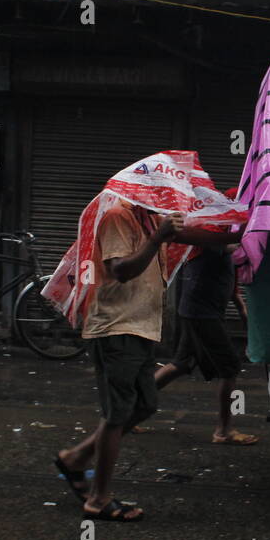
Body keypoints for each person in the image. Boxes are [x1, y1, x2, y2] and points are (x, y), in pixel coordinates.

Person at [53, 202, 185, 521]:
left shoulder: (151, 218)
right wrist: (157, 239)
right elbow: (121, 270)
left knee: (145, 405)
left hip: (141, 327)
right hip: (116, 327)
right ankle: (98, 499)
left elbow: (197, 237)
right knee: (117, 413)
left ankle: (77, 456)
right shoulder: (117, 216)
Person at [154, 194, 256, 445]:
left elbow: (229, 279)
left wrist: (241, 308)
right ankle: (223, 431)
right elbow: (227, 245)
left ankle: (127, 409)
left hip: (200, 311)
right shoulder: (209, 235)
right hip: (201, 313)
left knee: (181, 363)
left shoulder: (223, 237)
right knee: (230, 367)